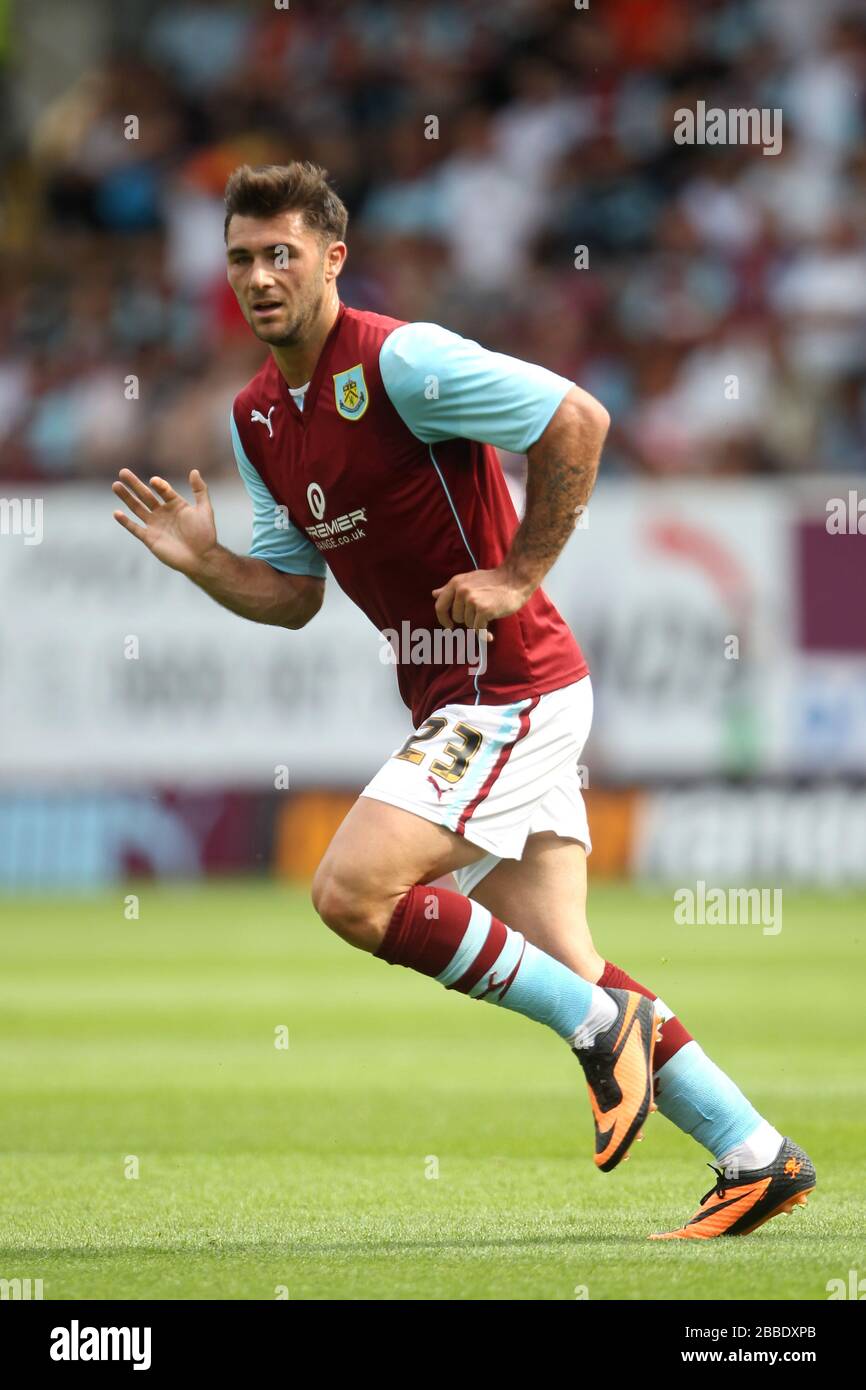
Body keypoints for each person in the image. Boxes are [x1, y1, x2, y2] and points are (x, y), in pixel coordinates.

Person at [112, 161, 815, 1236]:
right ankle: (752, 1151)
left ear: (331, 259)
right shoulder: (259, 417)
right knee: (564, 956)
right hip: (466, 702)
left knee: (351, 891)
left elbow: (576, 420)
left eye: (281, 254)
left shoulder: (403, 360)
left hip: (508, 690)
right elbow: (295, 597)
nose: (260, 276)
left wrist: (518, 573)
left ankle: (596, 1026)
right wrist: (204, 564)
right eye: (242, 258)